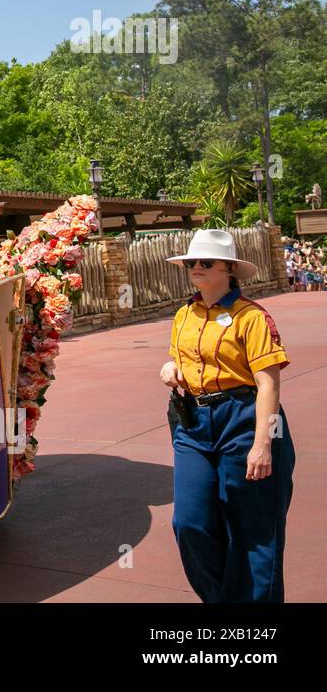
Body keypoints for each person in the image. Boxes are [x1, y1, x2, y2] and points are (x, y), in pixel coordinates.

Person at [159, 228, 294, 602]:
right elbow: (181, 359)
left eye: (206, 262)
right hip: (194, 422)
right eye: (191, 262)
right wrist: (171, 368)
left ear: (229, 269)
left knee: (253, 529)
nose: (196, 268)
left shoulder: (252, 317)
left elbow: (268, 385)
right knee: (189, 522)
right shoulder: (184, 313)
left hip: (245, 419)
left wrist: (263, 443)